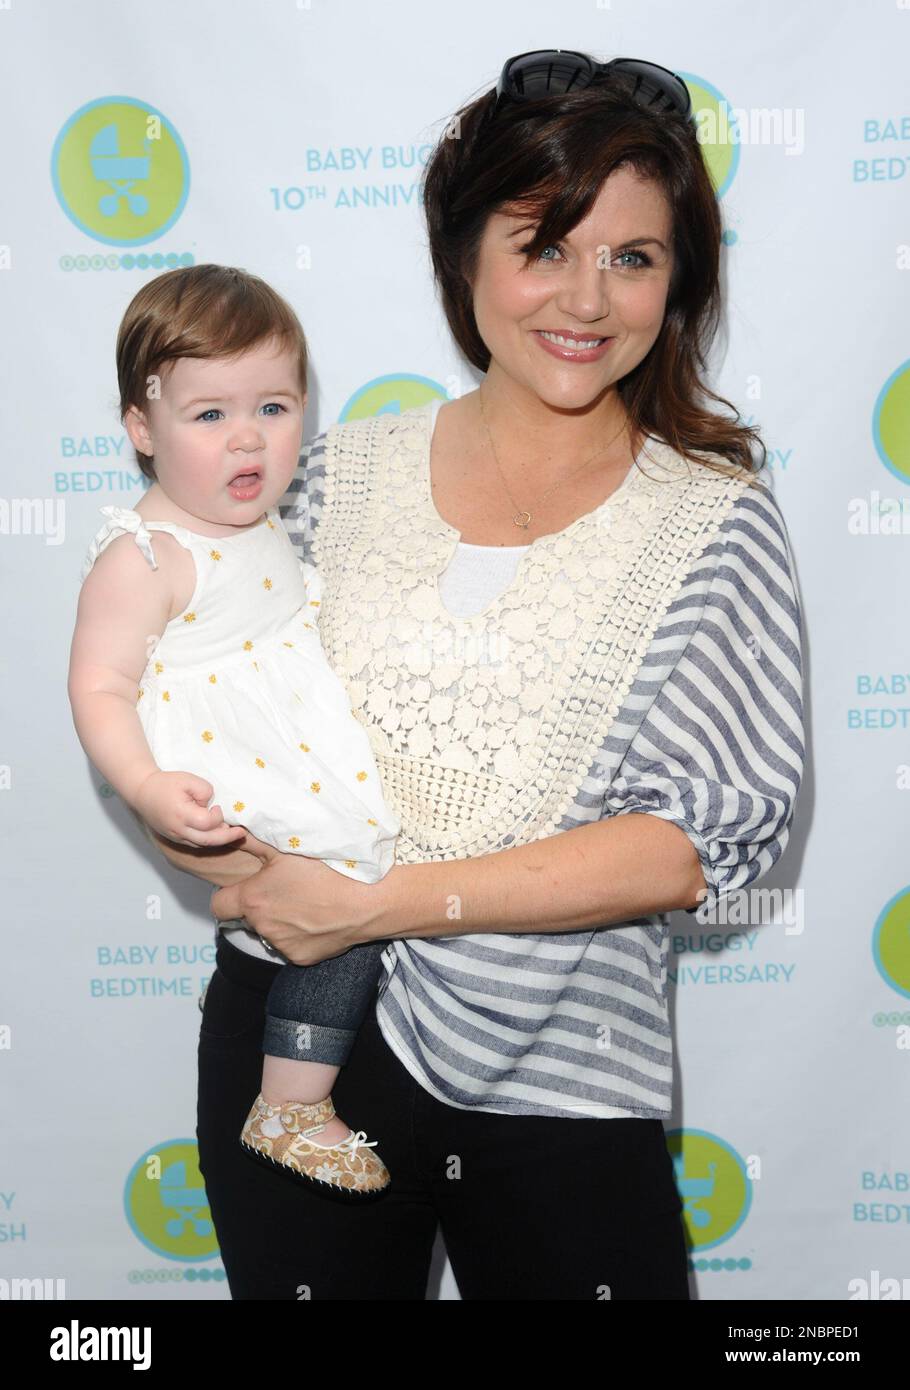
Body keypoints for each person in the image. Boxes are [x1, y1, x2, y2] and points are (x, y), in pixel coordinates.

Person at [144, 53, 805, 1299]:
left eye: (633, 257)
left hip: (567, 1066)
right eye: (543, 244)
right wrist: (224, 850)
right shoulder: (333, 475)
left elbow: (692, 844)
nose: (587, 297)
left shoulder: (714, 519)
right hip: (302, 1058)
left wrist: (380, 901)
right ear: (464, 258)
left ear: (680, 282)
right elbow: (208, 710)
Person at [69, 265, 402, 1199]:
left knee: (348, 906)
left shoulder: (263, 520)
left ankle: (298, 1088)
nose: (249, 437)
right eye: (209, 415)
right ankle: (290, 1102)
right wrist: (142, 786)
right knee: (340, 904)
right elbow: (100, 685)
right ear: (143, 429)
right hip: (232, 773)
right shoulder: (150, 554)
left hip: (296, 747)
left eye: (275, 405)